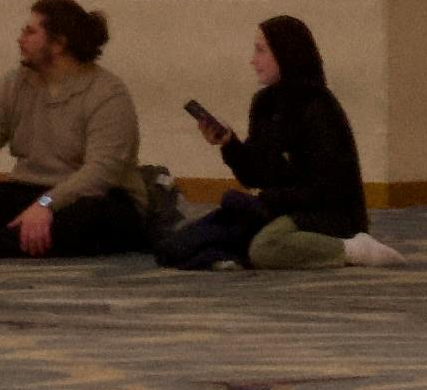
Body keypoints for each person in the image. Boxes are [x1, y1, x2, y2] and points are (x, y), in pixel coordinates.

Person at [0, 0, 150, 259]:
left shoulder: (107, 94)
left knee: (89, 219)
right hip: (29, 193)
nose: (20, 39)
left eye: (30, 31)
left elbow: (101, 173)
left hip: (93, 197)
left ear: (58, 44)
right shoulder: (15, 84)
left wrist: (47, 204)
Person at [157, 14, 392, 269]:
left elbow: (324, 190)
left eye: (261, 51)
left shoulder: (319, 107)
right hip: (276, 209)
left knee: (265, 247)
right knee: (174, 247)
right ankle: (232, 256)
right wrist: (229, 144)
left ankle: (352, 250)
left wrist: (268, 200)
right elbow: (255, 175)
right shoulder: (264, 103)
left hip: (325, 215)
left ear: (285, 53)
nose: (253, 60)